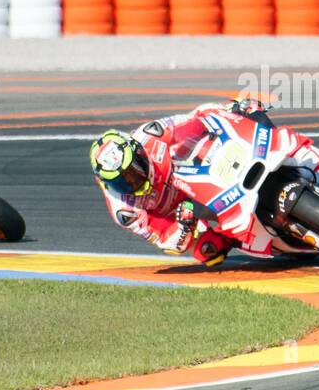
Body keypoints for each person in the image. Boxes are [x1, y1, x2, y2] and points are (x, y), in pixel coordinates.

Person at [90, 99, 272, 266]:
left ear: (138, 152)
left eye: (133, 170)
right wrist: (183, 226)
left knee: (243, 118)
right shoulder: (124, 211)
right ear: (107, 183)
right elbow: (165, 241)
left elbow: (196, 120)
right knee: (209, 250)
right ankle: (256, 236)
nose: (132, 180)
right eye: (121, 181)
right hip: (186, 210)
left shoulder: (152, 133)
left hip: (198, 170)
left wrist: (232, 109)